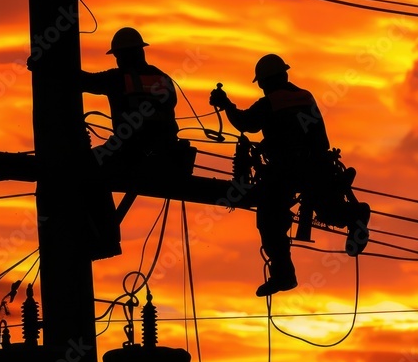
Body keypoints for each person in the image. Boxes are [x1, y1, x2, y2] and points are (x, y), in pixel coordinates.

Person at [209, 54, 371, 296]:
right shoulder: (305, 96)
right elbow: (308, 134)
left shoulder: (270, 103)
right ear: (284, 75)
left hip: (287, 171)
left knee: (270, 221)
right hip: (317, 166)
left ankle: (284, 275)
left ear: (265, 82)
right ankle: (354, 216)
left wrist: (226, 104)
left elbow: (246, 123)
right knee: (327, 209)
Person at [80, 27, 192, 178]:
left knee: (84, 166)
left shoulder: (117, 79)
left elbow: (84, 81)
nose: (118, 61)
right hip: (166, 152)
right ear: (141, 51)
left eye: (118, 56)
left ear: (123, 56)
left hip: (131, 151)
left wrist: (51, 66)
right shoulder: (163, 79)